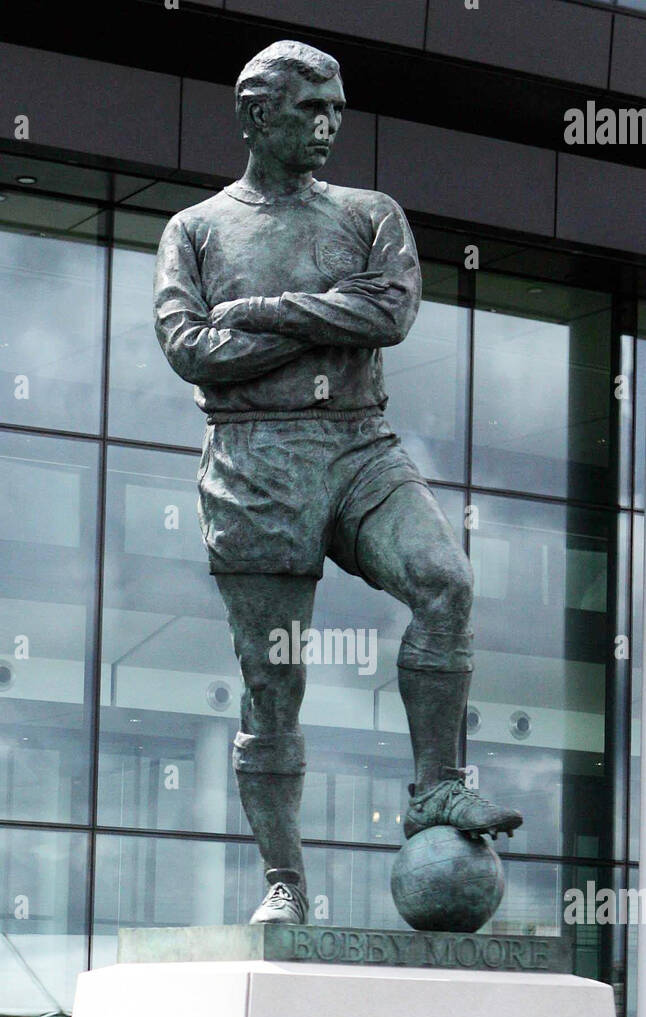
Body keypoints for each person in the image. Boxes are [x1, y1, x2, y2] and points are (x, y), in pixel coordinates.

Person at [153, 38, 523, 926]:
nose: (327, 125)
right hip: (253, 462)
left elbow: (389, 311)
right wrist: (324, 321)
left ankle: (436, 788)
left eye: (335, 108)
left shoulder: (369, 214)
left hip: (361, 448)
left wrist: (264, 314)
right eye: (308, 108)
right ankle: (285, 881)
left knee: (444, 581)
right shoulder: (197, 230)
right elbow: (191, 351)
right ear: (254, 115)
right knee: (272, 686)